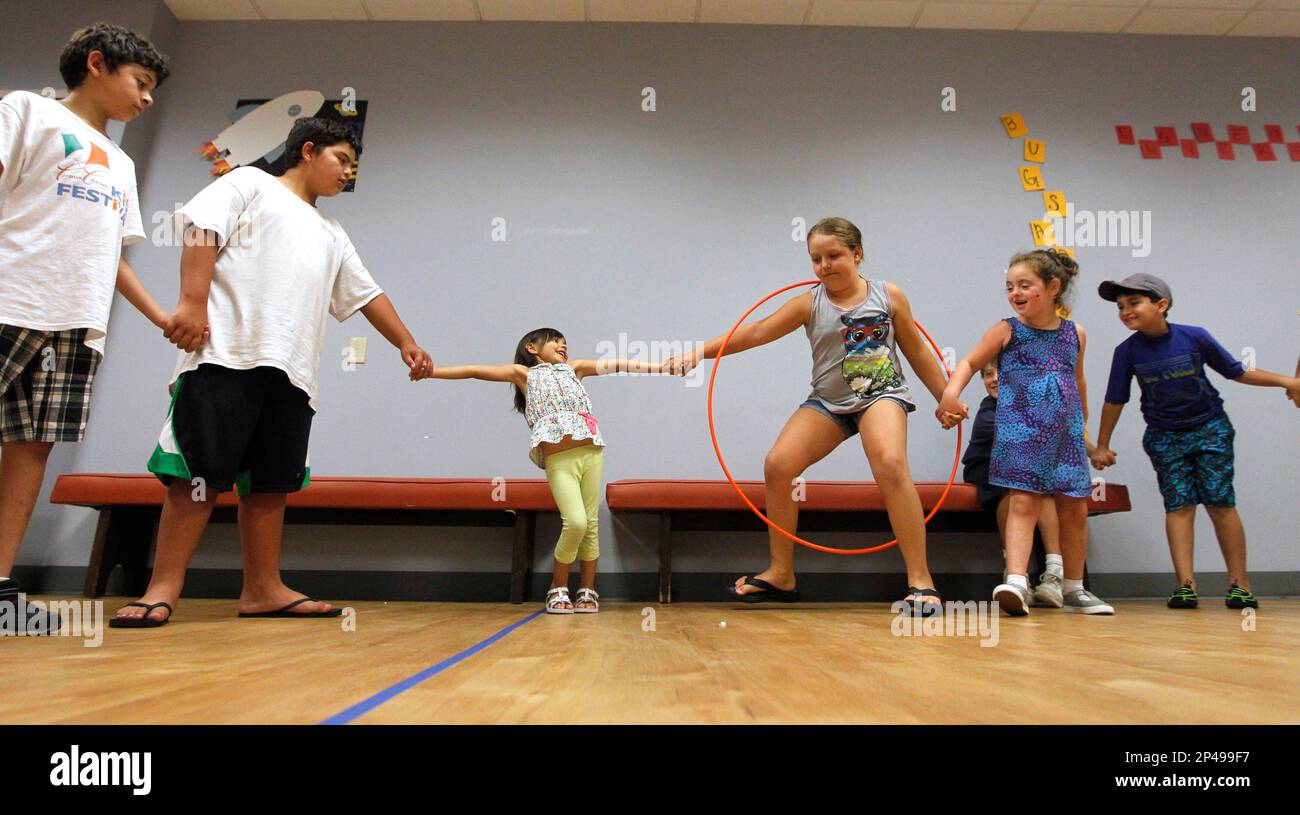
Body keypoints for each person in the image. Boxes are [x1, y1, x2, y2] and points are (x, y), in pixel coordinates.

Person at [111, 118, 432, 627]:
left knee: (270, 485)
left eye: (353, 166)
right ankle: (164, 586)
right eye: (342, 160)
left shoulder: (332, 231)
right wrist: (192, 303)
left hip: (293, 372)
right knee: (196, 476)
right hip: (225, 356)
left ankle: (262, 588)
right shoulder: (248, 182)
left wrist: (406, 342)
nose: (348, 173)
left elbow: (366, 293)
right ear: (307, 150)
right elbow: (203, 230)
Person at [666, 217, 949, 614]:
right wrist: (700, 352)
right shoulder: (808, 303)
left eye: (834, 255)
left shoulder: (889, 296)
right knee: (779, 465)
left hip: (880, 395)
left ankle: (921, 581)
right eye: (816, 258)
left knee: (889, 462)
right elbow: (756, 331)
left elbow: (917, 351)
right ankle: (782, 574)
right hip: (829, 402)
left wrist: (945, 397)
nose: (824, 265)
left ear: (857, 253)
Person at [0, 23, 173, 633]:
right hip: (9, 300)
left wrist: (160, 316)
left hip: (76, 324)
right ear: (96, 64)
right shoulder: (28, 111)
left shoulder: (123, 164)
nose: (147, 98)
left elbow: (111, 256)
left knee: (30, 448)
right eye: (140, 82)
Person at [1090, 273, 1300, 610]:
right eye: (1120, 307)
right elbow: (1115, 399)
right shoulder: (1126, 352)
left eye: (1134, 303)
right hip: (1163, 437)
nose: (1125, 311)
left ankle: (1239, 584)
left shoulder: (1194, 337)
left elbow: (1236, 371)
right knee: (1179, 506)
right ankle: (1185, 585)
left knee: (1220, 502)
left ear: (1162, 305)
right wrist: (1102, 445)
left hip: (1210, 430)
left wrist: (1287, 381)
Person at [428, 328, 666, 614]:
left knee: (590, 525)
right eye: (554, 340)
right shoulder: (524, 374)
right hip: (559, 458)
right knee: (575, 522)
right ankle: (557, 585)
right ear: (532, 347)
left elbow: (619, 364)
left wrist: (662, 368)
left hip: (591, 452)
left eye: (565, 341)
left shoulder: (574, 368)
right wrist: (432, 372)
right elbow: (475, 371)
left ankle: (588, 590)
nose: (562, 345)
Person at [938, 249, 1113, 616]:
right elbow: (970, 362)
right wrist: (951, 393)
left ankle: (1075, 588)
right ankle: (1016, 580)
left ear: (1053, 287)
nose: (1015, 293)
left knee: (1074, 507)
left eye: (1024, 285)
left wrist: (1086, 437)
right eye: (1009, 287)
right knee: (1023, 501)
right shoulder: (1007, 330)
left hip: (1064, 437)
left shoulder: (1074, 334)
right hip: (1020, 432)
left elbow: (1077, 382)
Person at [961, 361, 1065, 607]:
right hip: (988, 468)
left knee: (1041, 487)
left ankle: (1054, 573)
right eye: (988, 374)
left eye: (1001, 373)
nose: (994, 379)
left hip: (1029, 470)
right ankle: (1016, 575)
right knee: (1015, 486)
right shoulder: (989, 410)